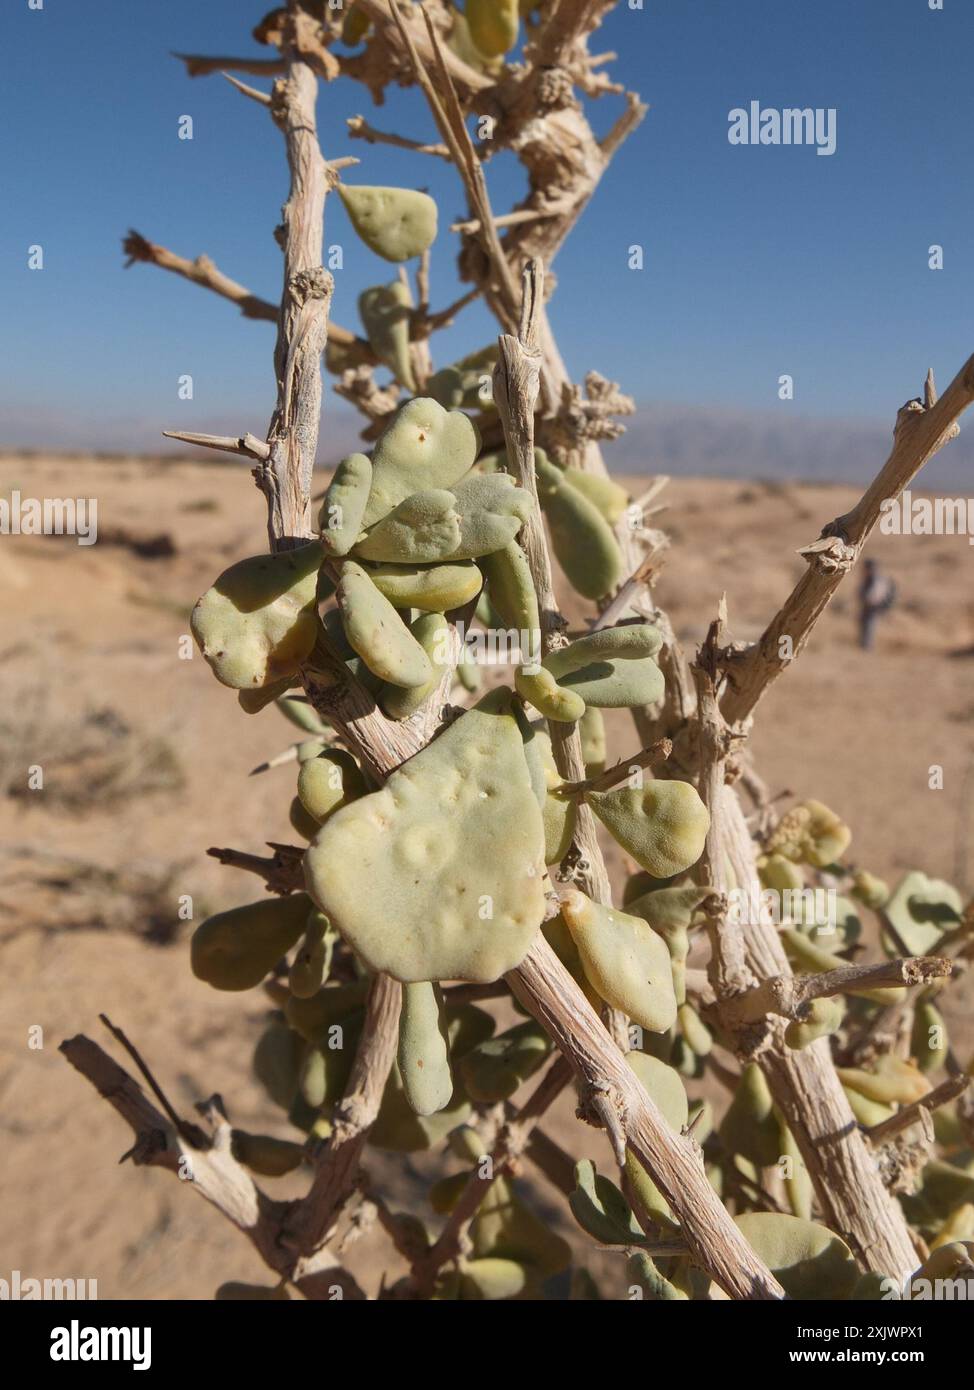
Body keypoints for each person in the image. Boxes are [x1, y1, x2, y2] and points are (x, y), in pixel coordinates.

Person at [857, 558, 897, 650]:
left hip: (872, 608)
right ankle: (864, 646)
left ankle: (867, 648)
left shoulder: (876, 579)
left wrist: (868, 599)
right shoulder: (870, 578)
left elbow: (874, 595)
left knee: (869, 626)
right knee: (865, 626)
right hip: (868, 607)